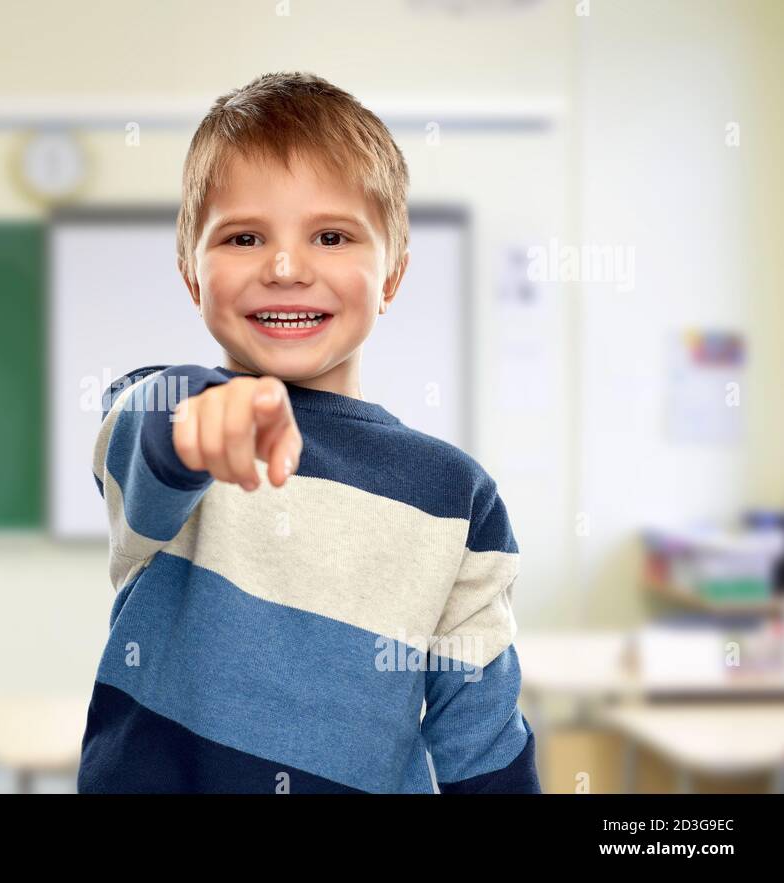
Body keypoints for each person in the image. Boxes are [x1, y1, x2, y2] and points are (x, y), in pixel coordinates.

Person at [77, 71, 541, 794]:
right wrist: (200, 419)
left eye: (331, 235)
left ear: (392, 276)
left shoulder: (457, 496)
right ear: (191, 275)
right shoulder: (164, 412)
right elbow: (153, 428)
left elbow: (480, 741)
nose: (286, 267)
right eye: (244, 236)